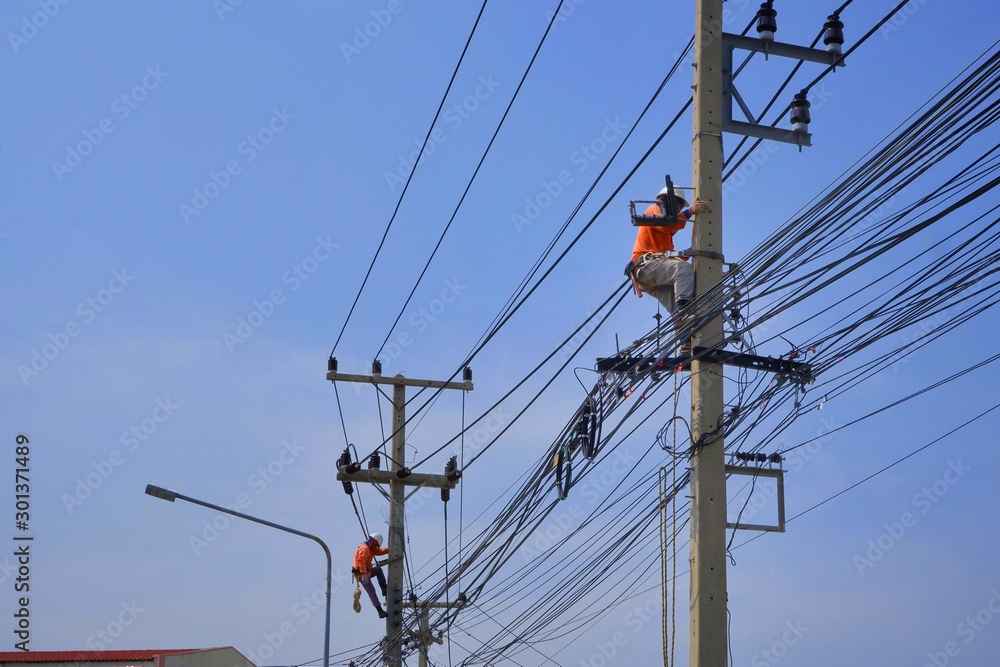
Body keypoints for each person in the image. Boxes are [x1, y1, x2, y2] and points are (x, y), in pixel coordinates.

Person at [628, 187, 710, 318]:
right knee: (683, 270)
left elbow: (668, 259)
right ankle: (684, 311)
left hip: (649, 275)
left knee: (676, 301)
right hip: (646, 267)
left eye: (680, 208)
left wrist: (689, 253)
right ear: (665, 201)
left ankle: (685, 329)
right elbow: (665, 224)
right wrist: (690, 212)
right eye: (677, 205)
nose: (678, 210)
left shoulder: (666, 238)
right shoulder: (654, 210)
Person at [353, 532, 389, 618]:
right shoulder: (364, 548)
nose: (376, 547)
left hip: (367, 572)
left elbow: (379, 551)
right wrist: (364, 574)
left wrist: (390, 549)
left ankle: (384, 589)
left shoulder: (370, 548)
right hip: (362, 575)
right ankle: (380, 611)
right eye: (376, 545)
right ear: (373, 542)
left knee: (378, 571)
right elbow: (361, 562)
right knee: (372, 592)